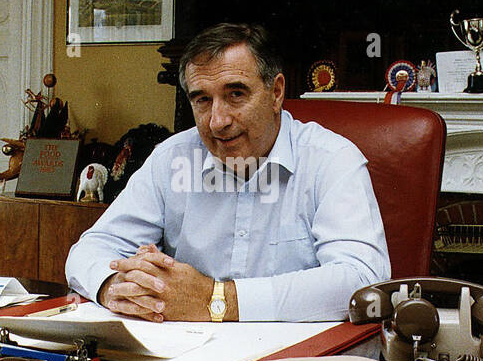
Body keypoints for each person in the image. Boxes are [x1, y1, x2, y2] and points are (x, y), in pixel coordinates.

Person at [65, 23, 390, 322]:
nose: (217, 120)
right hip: (187, 359)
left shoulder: (331, 159)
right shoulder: (172, 158)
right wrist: (114, 288)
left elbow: (363, 280)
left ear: (276, 93)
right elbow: (90, 249)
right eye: (203, 100)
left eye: (236, 94)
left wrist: (215, 299)